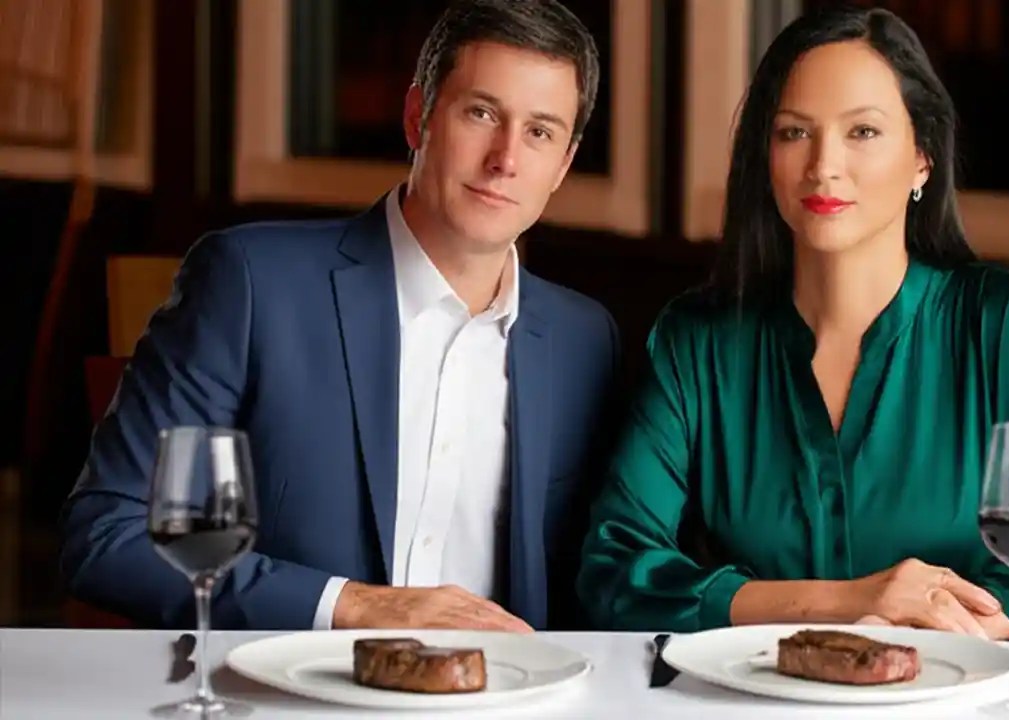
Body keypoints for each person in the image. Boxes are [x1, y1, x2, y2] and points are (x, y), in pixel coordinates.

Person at [577, 6, 1009, 642]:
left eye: (863, 132)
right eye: (794, 133)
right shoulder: (699, 342)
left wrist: (961, 620)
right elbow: (616, 572)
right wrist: (844, 603)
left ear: (922, 160)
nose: (823, 165)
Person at [61, 0, 619, 632]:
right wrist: (354, 605)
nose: (506, 158)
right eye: (482, 113)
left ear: (563, 164)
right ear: (418, 117)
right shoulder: (250, 282)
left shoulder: (583, 341)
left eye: (540, 131)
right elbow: (107, 535)